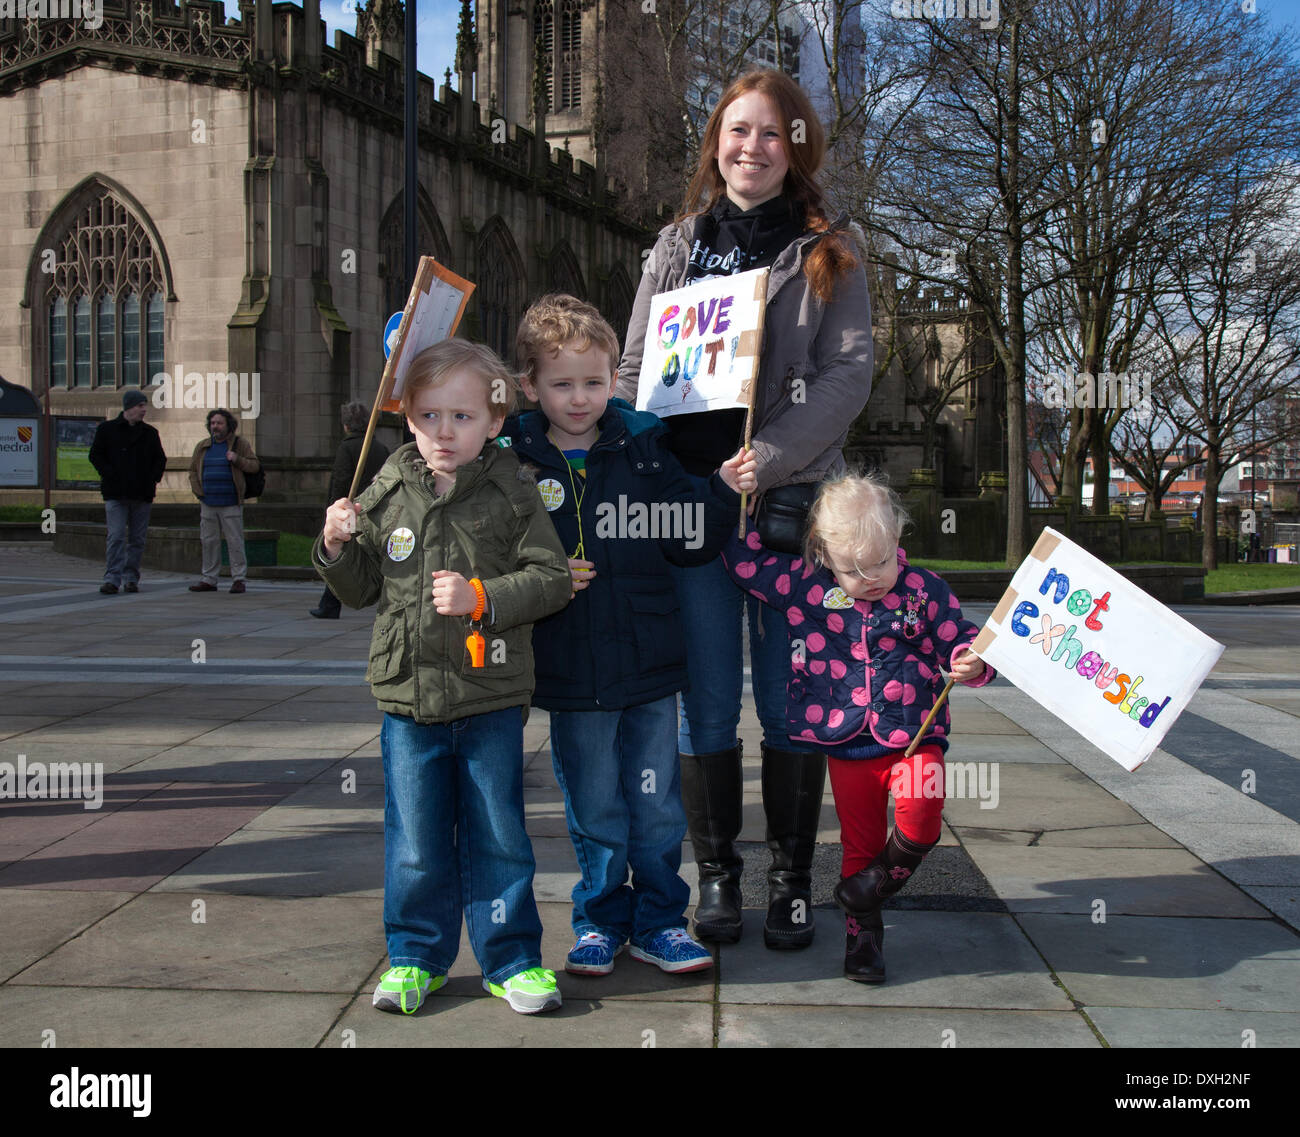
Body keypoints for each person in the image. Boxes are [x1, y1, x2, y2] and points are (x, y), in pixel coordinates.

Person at [616, 67, 873, 948]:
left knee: (794, 701)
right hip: (692, 507)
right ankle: (720, 878)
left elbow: (849, 374)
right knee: (708, 704)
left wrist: (768, 455)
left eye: (770, 133)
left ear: (795, 146)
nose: (751, 147)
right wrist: (648, 460)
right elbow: (630, 370)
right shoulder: (676, 245)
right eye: (736, 130)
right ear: (715, 142)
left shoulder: (830, 247)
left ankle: (792, 880)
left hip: (791, 507)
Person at [312, 339, 572, 1016]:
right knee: (416, 839)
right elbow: (364, 586)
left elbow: (551, 579)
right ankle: (415, 956)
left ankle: (510, 957)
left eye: (461, 416)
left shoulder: (512, 485)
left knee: (498, 834)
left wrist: (481, 597)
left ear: (493, 419)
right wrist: (335, 545)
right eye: (429, 416)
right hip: (408, 697)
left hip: (488, 692)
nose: (443, 432)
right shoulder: (390, 486)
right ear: (408, 418)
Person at [503, 293, 757, 977]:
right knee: (595, 805)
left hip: (649, 662)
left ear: (616, 377)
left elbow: (690, 538)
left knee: (655, 806)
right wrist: (542, 574)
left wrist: (723, 489)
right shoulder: (512, 464)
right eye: (562, 384)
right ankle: (599, 920)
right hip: (570, 666)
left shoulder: (645, 448)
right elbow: (488, 551)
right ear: (530, 386)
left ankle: (661, 921)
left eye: (594, 381)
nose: (580, 398)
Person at [720, 471, 995, 982]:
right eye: (855, 569)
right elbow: (746, 565)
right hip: (846, 743)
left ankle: (868, 887)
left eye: (883, 561)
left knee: (922, 817)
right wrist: (741, 508)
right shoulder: (806, 586)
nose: (873, 577)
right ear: (823, 556)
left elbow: (961, 637)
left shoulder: (922, 591)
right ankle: (862, 937)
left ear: (897, 541)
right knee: (859, 842)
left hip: (916, 735)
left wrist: (969, 660)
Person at [310, 401, 390, 619]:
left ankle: (330, 604)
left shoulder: (347, 448)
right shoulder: (380, 448)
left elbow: (341, 481)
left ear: (347, 425)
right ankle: (329, 604)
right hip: (374, 510)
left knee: (344, 556)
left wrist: (333, 508)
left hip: (350, 509)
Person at [88, 389, 167, 594]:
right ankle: (112, 578)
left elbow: (160, 459)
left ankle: (131, 577)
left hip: (142, 494)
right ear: (129, 407)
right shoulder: (107, 430)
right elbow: (95, 455)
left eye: (144, 406)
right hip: (116, 492)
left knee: (137, 539)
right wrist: (110, 474)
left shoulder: (150, 433)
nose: (144, 410)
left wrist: (151, 479)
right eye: (141, 406)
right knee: (115, 536)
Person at [187, 409, 260, 594]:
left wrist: (237, 459)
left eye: (219, 423)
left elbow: (254, 465)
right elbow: (193, 471)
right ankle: (209, 578)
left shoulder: (239, 444)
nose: (215, 427)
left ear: (228, 425)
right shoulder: (203, 446)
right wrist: (199, 492)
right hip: (208, 502)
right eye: (212, 423)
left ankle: (238, 578)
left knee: (235, 541)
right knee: (209, 541)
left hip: (230, 502)